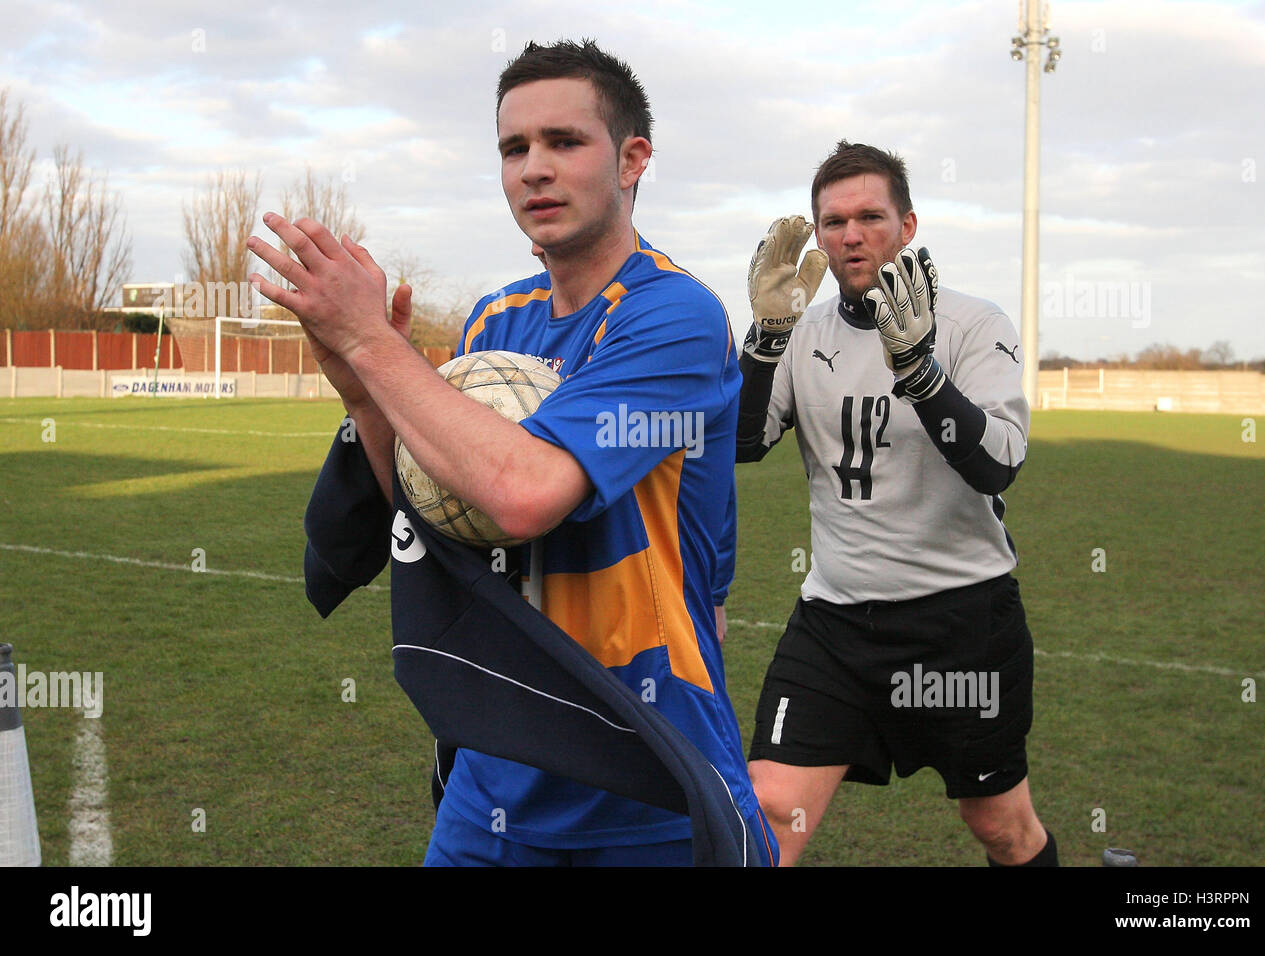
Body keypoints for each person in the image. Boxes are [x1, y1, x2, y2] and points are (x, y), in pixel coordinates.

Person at [247, 39, 773, 866]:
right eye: (513, 148)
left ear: (633, 159)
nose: (534, 168)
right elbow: (435, 511)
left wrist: (375, 344)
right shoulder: (495, 322)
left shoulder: (676, 315)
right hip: (498, 766)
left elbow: (524, 494)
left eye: (565, 142)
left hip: (645, 774)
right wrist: (362, 389)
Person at [736, 141, 1056, 867]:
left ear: (908, 225)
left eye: (870, 216)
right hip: (835, 626)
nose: (851, 235)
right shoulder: (802, 333)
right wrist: (764, 341)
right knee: (764, 809)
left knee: (1001, 827)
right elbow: (741, 443)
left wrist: (918, 368)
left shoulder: (974, 324)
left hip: (961, 623)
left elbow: (996, 465)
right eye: (833, 220)